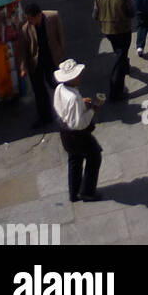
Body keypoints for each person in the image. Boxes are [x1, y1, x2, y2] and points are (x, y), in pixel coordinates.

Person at [52, 59, 104, 202]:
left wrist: (82, 102)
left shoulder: (60, 89)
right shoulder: (74, 98)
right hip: (76, 136)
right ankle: (87, 191)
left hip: (64, 132)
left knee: (74, 160)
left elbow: (61, 107)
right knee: (94, 156)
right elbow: (79, 124)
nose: (79, 77)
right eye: (77, 75)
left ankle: (74, 193)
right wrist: (93, 109)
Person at [18, 3, 66, 129]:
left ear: (39, 15)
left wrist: (60, 52)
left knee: (56, 85)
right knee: (39, 91)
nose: (28, 21)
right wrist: (23, 67)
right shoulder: (26, 28)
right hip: (36, 63)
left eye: (30, 18)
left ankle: (65, 110)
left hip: (51, 58)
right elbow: (23, 50)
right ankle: (45, 116)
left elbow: (59, 35)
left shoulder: (53, 17)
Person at [92, 0, 133, 103]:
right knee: (120, 57)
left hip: (107, 30)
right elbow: (130, 12)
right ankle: (116, 91)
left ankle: (125, 66)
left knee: (118, 50)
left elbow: (95, 15)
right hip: (123, 29)